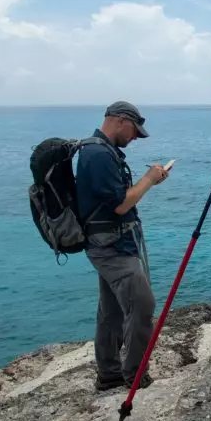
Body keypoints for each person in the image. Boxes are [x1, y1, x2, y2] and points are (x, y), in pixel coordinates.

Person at [75, 101, 169, 391]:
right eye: (134, 132)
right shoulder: (98, 155)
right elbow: (120, 204)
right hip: (112, 246)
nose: (134, 138)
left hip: (109, 242)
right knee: (142, 305)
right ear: (118, 121)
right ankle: (135, 376)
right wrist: (149, 180)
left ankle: (110, 374)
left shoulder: (99, 151)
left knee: (112, 310)